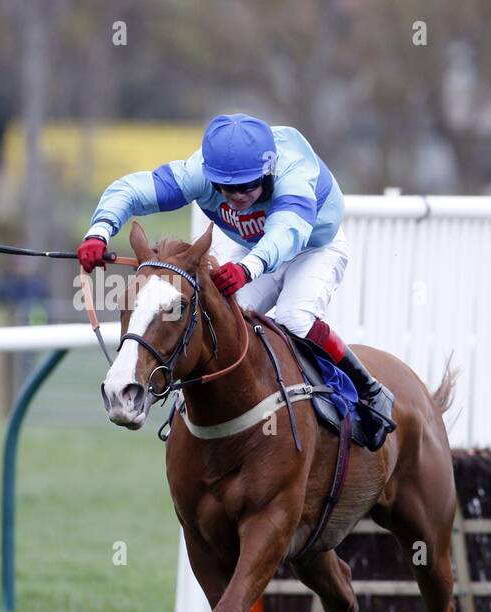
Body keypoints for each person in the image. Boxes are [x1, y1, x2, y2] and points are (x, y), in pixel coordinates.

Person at [76, 113, 396, 449]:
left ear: (269, 171)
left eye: (247, 186)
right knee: (222, 323)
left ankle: (368, 388)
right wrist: (99, 230)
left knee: (294, 318)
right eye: (226, 187)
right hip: (254, 248)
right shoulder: (198, 172)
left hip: (313, 247)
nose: (236, 195)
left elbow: (289, 230)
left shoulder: (293, 172)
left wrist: (247, 268)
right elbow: (132, 190)